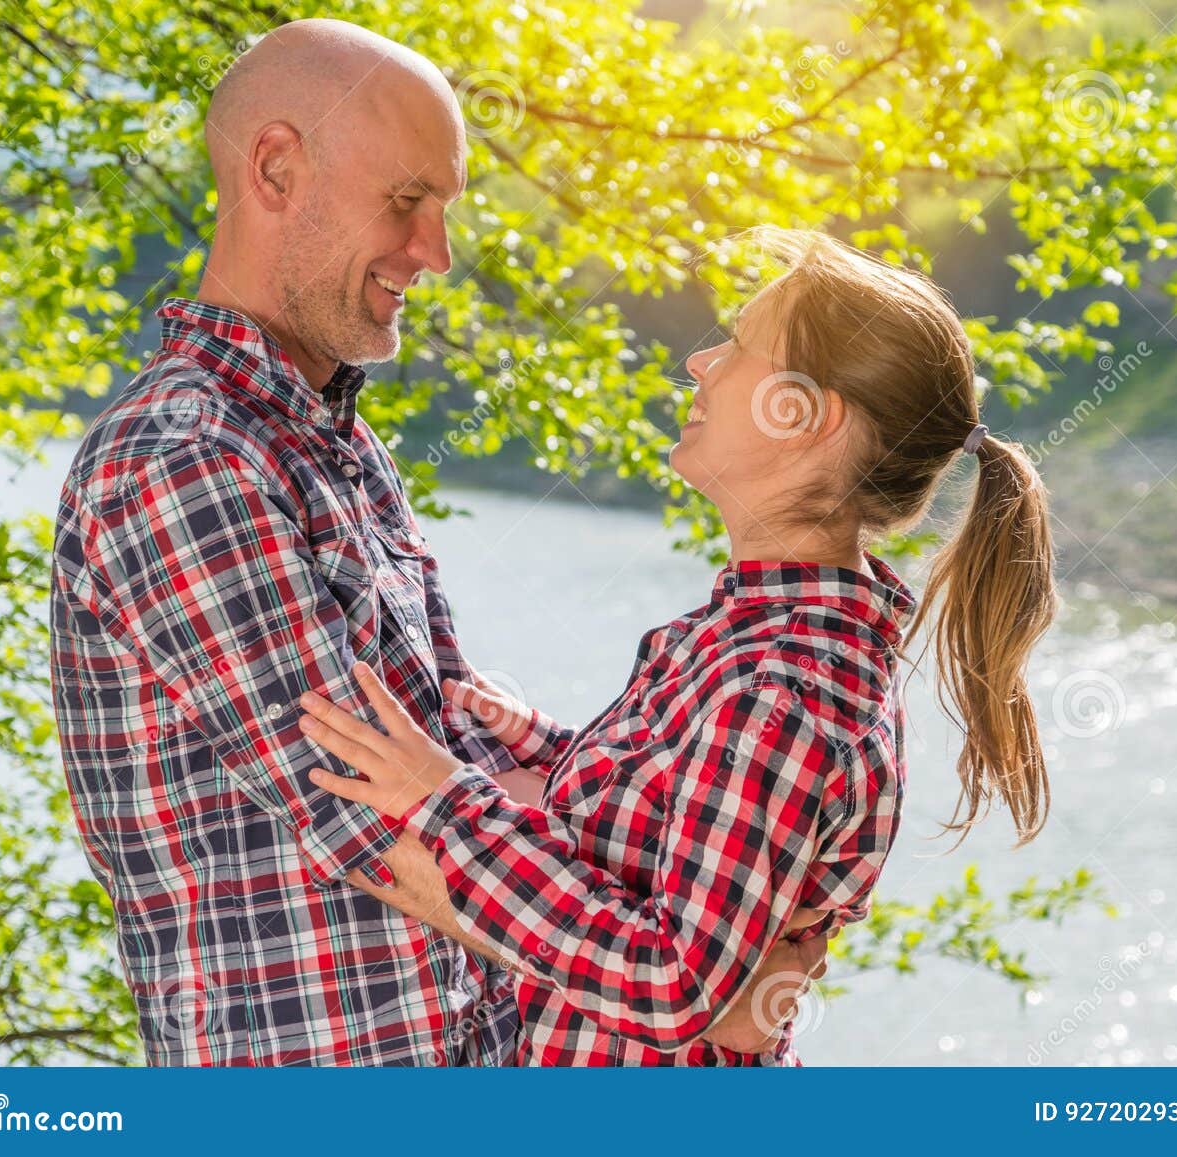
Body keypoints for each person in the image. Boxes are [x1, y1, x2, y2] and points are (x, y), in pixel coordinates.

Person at [47, 18, 818, 1066]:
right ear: (276, 168)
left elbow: (460, 772)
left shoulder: (334, 443)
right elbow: (380, 829)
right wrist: (682, 981)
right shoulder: (183, 459)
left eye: (443, 210)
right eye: (406, 203)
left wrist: (705, 904)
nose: (436, 254)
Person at [297, 228, 1062, 1064]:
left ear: (808, 417)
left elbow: (666, 983)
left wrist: (441, 797)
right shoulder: (757, 638)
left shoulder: (786, 687)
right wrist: (552, 750)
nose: (701, 366)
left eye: (740, 346)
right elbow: (680, 818)